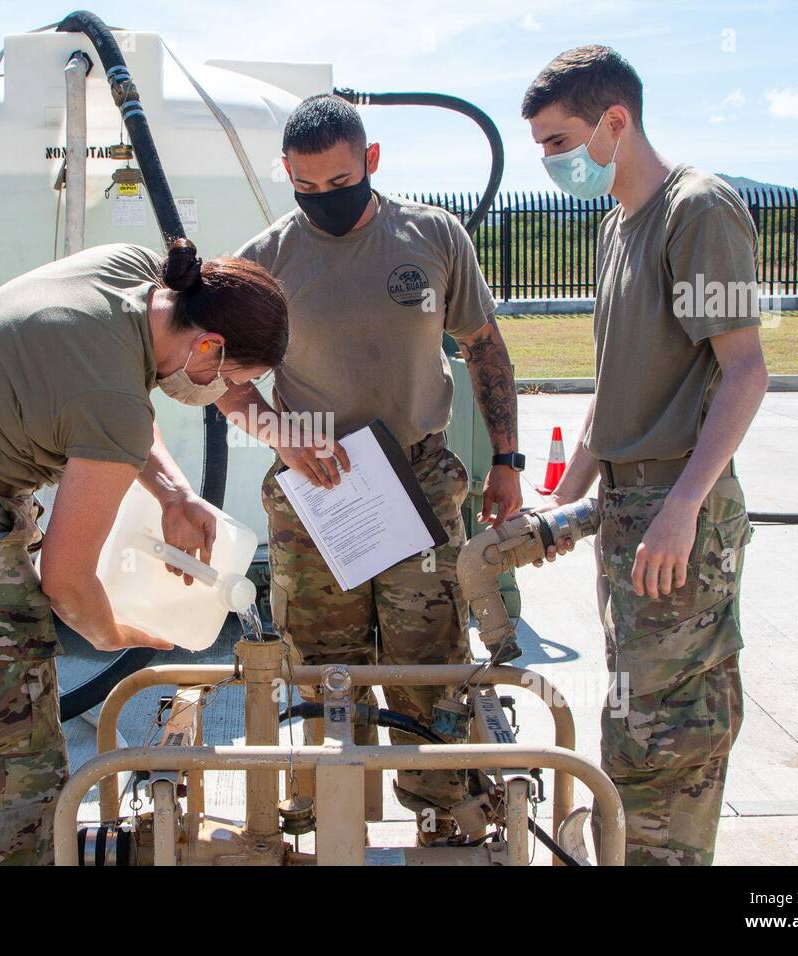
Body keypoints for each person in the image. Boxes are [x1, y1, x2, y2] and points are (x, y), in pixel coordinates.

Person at [0, 240, 288, 864]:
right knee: (15, 771)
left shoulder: (136, 274)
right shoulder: (113, 402)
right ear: (208, 348)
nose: (222, 396)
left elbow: (122, 406)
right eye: (232, 382)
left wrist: (174, 494)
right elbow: (66, 581)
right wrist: (115, 633)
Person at [224, 95, 523, 843]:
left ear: (372, 162)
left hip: (417, 481)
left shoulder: (430, 236)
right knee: (321, 662)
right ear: (287, 175)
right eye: (307, 186)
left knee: (430, 657)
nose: (325, 198)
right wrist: (278, 433)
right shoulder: (267, 260)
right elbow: (216, 376)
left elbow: (485, 347)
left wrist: (509, 463)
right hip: (317, 491)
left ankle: (443, 819)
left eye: (341, 180)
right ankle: (331, 824)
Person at [521, 46, 769, 865]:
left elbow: (744, 370)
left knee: (670, 743)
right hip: (633, 513)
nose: (551, 162)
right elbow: (611, 389)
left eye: (559, 142)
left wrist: (684, 507)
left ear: (614, 123)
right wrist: (566, 498)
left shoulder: (696, 211)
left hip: (673, 515)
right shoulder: (616, 227)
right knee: (633, 731)